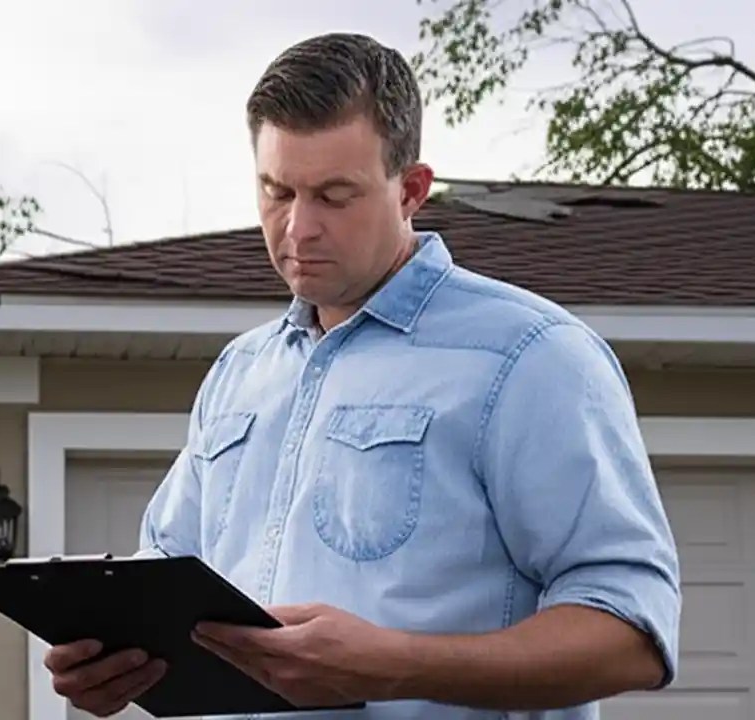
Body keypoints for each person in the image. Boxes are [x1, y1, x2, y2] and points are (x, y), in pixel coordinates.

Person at [43, 32, 681, 719]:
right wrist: (114, 656)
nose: (298, 229)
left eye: (334, 195)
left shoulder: (531, 357)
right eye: (276, 191)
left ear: (411, 190)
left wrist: (392, 665)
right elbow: (170, 565)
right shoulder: (240, 374)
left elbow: (632, 633)